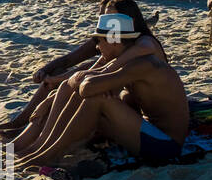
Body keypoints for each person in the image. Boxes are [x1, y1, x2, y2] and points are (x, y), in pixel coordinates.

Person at [10, 11, 189, 169]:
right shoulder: (125, 61)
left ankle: (48, 155)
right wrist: (61, 91)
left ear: (114, 41)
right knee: (74, 88)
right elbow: (83, 83)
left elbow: (88, 88)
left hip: (166, 145)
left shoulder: (140, 64)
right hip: (147, 132)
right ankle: (39, 147)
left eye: (99, 41)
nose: (96, 47)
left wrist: (77, 80)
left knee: (96, 98)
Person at [0, 0, 164, 136]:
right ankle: (22, 123)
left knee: (77, 87)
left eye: (108, 18)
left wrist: (59, 80)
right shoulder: (109, 39)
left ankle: (34, 133)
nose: (103, 23)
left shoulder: (140, 44)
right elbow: (75, 60)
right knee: (65, 77)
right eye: (102, 17)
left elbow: (101, 70)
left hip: (133, 104)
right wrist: (46, 71)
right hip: (121, 92)